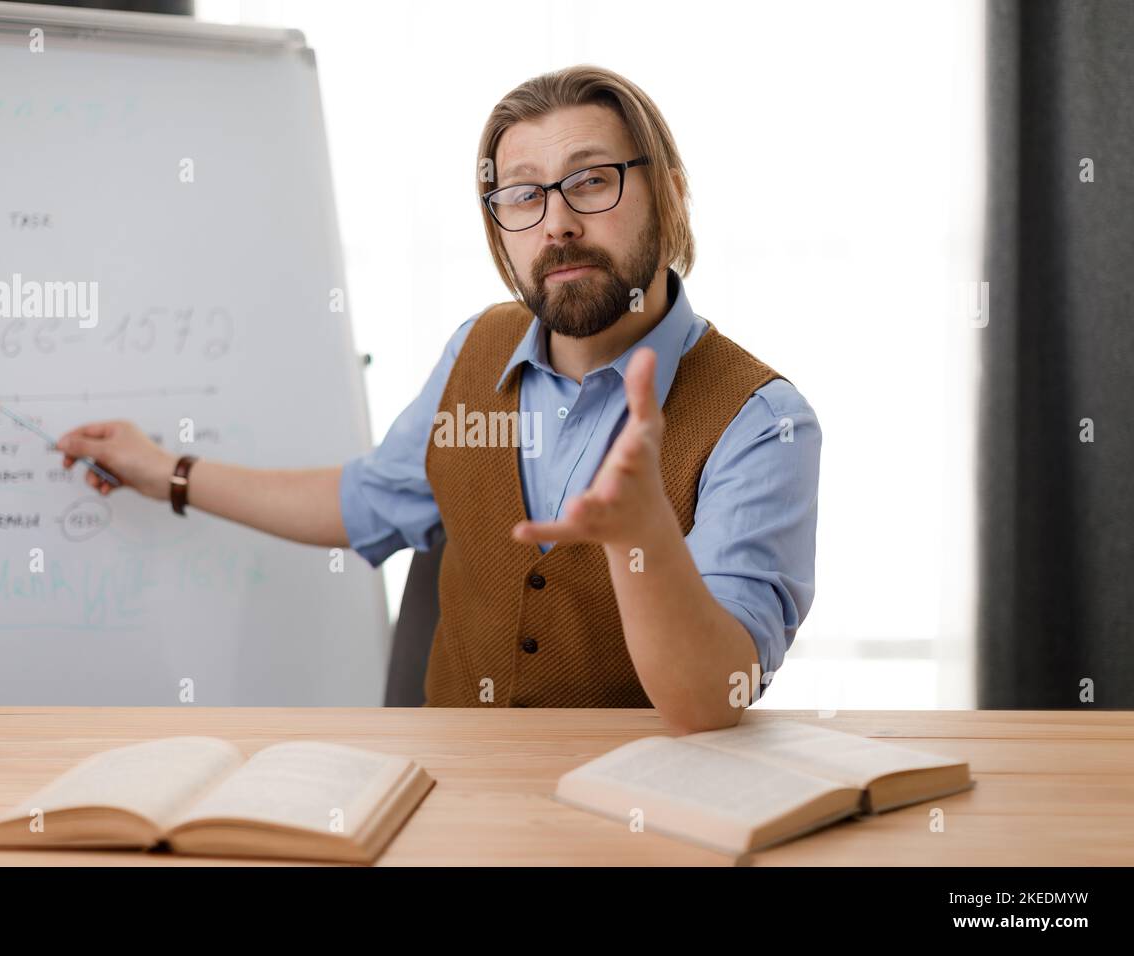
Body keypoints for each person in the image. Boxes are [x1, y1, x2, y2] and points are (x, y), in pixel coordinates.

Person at [56, 64, 821, 734]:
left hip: (636, 824)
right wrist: (167, 471)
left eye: (590, 180)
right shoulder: (477, 356)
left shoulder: (762, 423)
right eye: (521, 195)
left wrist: (642, 538)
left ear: (670, 194)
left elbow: (712, 700)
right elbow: (366, 500)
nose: (555, 223)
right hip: (450, 800)